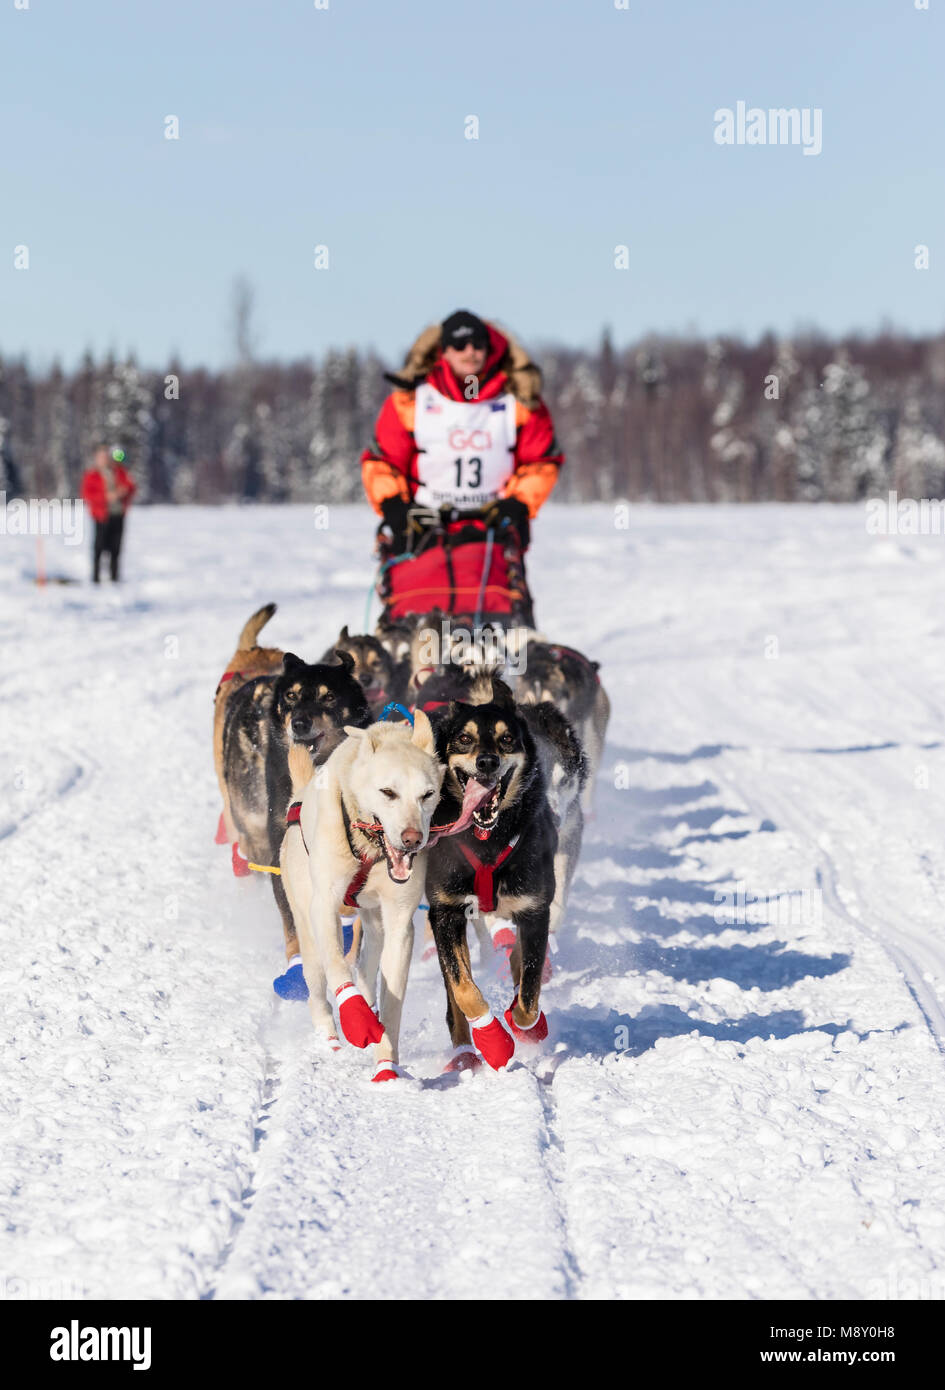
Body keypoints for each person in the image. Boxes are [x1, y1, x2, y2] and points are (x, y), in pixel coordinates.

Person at [361, 311, 564, 553]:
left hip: (494, 530)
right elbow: (383, 462)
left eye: (477, 344)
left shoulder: (521, 403)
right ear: (443, 351)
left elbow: (541, 462)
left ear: (489, 349)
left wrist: (518, 504)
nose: (470, 352)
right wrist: (394, 505)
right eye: (459, 345)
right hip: (422, 529)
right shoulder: (409, 401)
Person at [80, 445, 136, 582]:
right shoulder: (92, 475)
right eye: (101, 457)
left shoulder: (119, 472)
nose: (104, 460)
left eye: (106, 457)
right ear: (97, 459)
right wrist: (106, 496)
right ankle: (95, 578)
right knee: (99, 547)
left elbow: (131, 485)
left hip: (118, 514)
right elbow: (87, 494)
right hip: (101, 515)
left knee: (115, 548)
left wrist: (123, 491)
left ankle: (115, 577)